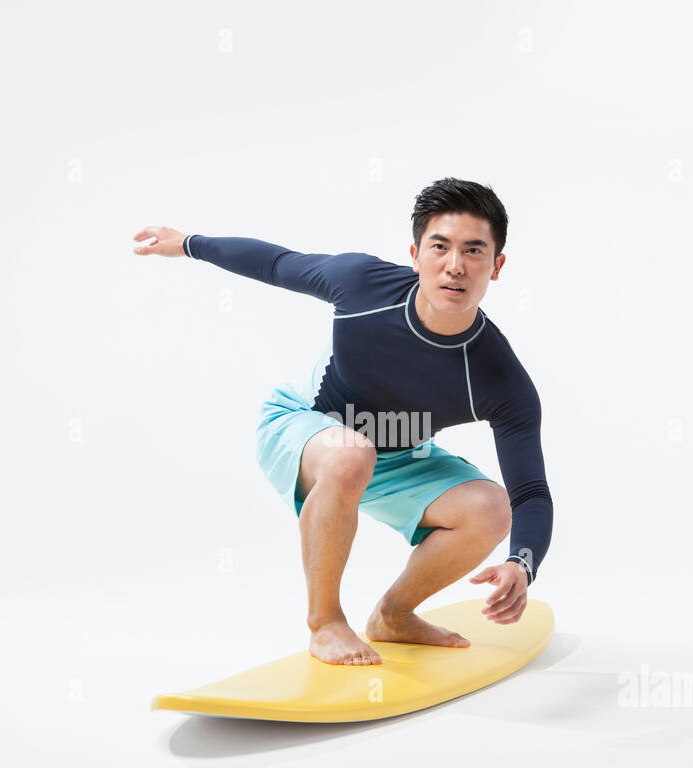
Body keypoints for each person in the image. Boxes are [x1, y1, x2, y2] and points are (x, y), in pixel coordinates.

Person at [132, 177, 552, 666]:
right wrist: (188, 243)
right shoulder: (362, 284)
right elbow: (276, 263)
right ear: (415, 255)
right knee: (352, 453)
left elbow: (530, 493)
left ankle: (394, 614)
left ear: (496, 266)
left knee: (491, 509)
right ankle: (325, 623)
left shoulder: (500, 378)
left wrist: (522, 563)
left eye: (473, 251)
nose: (454, 265)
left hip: (396, 454)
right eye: (440, 247)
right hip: (303, 425)